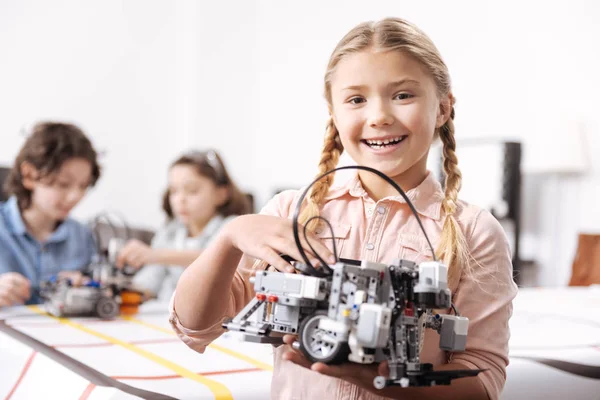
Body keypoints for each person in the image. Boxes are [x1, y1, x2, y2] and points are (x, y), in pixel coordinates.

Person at [171, 17, 518, 400]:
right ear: (334, 114)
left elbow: (482, 379)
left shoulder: (475, 232)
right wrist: (229, 238)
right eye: (356, 99)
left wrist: (393, 385)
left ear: (442, 108)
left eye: (403, 95)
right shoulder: (289, 211)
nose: (379, 116)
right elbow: (194, 327)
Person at [116, 150, 251, 301]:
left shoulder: (232, 227)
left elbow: (220, 259)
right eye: (174, 191)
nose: (180, 199)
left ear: (221, 194)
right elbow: (151, 278)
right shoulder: (170, 231)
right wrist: (121, 291)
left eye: (192, 191)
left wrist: (156, 255)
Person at [0, 122, 101, 307]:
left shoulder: (83, 236)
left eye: (83, 186)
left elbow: (98, 290)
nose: (74, 196)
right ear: (29, 175)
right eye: (63, 184)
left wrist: (85, 289)